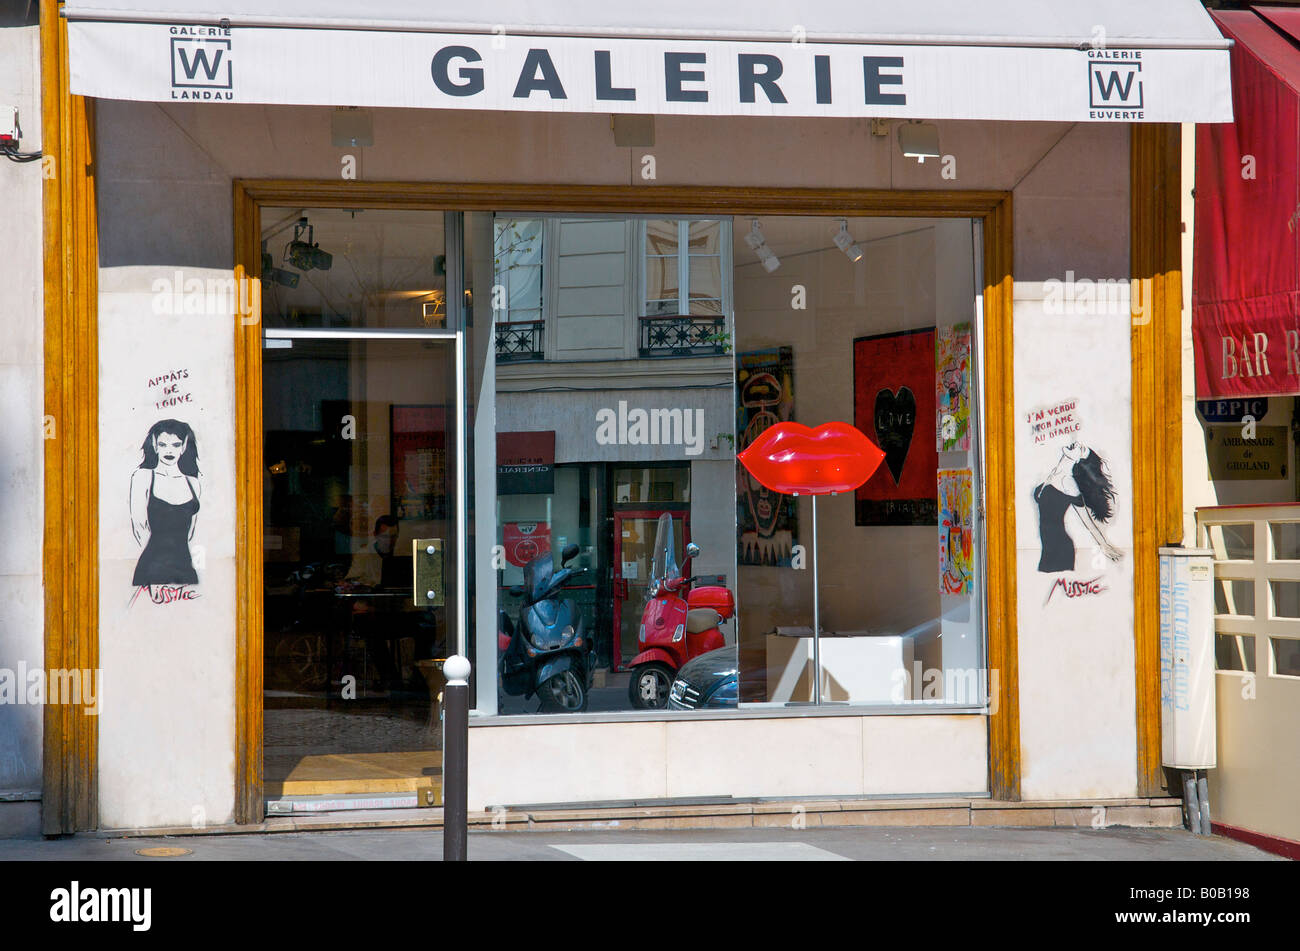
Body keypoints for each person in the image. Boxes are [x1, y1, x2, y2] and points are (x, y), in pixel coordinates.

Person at [130, 420, 201, 587]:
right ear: (154, 445)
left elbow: (190, 533)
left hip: (184, 568)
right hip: (152, 568)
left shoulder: (193, 483)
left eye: (176, 445)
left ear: (184, 447)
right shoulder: (143, 477)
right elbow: (139, 528)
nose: (169, 450)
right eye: (163, 444)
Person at [1033, 441, 1121, 573]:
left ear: (1078, 459)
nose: (1076, 443)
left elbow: (1089, 524)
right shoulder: (1054, 472)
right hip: (1048, 547)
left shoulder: (1070, 486)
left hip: (1060, 549)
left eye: (1081, 448)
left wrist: (1105, 545)